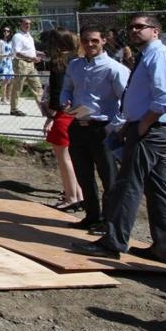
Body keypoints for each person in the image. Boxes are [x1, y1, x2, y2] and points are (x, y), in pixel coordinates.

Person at [73, 14, 166, 266]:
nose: (134, 31)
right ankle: (165, 248)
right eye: (132, 27)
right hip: (149, 127)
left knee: (127, 185)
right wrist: (130, 124)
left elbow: (165, 98)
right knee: (157, 187)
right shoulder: (148, 56)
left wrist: (143, 124)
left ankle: (112, 243)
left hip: (153, 129)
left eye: (141, 27)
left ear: (156, 31)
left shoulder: (160, 55)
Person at [61, 26, 128, 233]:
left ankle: (108, 222)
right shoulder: (74, 66)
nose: (89, 45)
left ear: (104, 41)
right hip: (78, 126)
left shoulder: (114, 69)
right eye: (85, 41)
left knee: (109, 177)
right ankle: (91, 216)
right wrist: (65, 102)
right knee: (84, 175)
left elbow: (126, 100)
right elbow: (67, 88)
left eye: (94, 41)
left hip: (102, 128)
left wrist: (114, 126)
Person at [42, 28, 83, 210]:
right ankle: (79, 195)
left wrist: (50, 117)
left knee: (64, 158)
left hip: (63, 114)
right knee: (73, 158)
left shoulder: (59, 63)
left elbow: (57, 94)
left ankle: (71, 197)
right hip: (78, 113)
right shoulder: (79, 60)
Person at [9, 18, 42, 117]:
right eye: (26, 23)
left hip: (31, 64)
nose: (28, 25)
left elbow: (30, 51)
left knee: (38, 86)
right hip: (21, 63)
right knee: (18, 87)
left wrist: (40, 53)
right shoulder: (17, 36)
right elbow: (17, 53)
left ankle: (43, 108)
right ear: (21, 24)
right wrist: (32, 58)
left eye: (29, 24)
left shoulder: (29, 36)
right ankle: (14, 109)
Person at [0, 26, 15, 104]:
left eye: (8, 31)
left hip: (9, 63)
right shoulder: (0, 41)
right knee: (5, 81)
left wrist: (12, 56)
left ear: (10, 33)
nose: (6, 32)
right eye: (4, 31)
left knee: (11, 80)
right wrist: (4, 56)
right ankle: (4, 99)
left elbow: (13, 52)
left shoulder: (11, 42)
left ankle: (7, 97)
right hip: (2, 62)